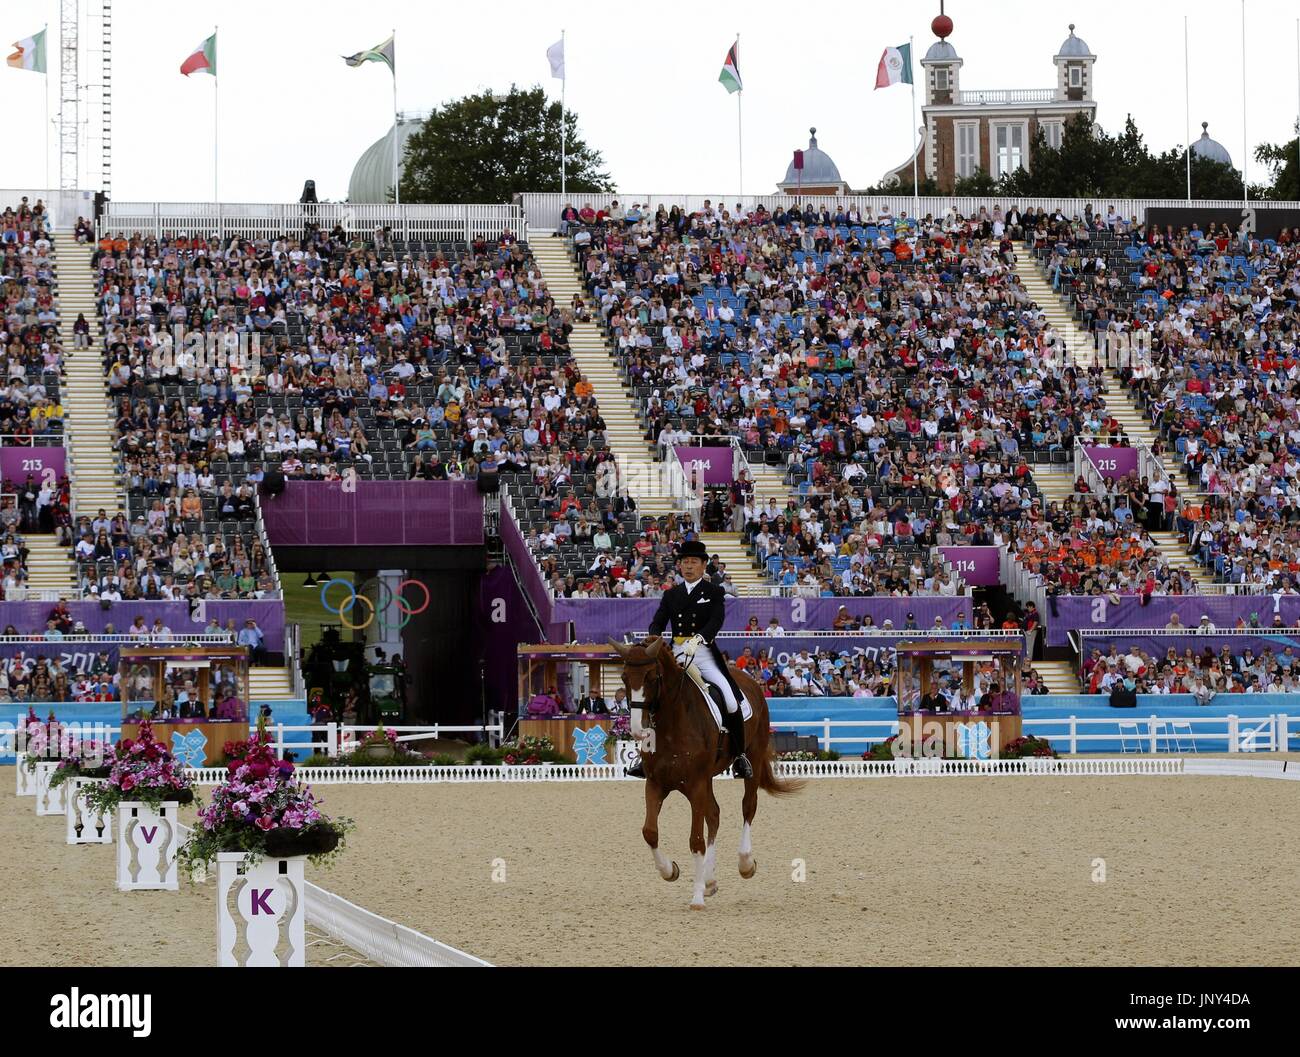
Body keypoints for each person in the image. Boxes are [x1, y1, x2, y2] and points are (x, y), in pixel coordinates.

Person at [628, 539, 752, 779]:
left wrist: (699, 638)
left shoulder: (714, 592)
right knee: (653, 696)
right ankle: (645, 756)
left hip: (703, 653)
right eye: (685, 562)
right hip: (675, 653)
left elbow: (716, 621)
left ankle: (739, 756)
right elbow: (658, 621)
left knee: (730, 699)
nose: (688, 566)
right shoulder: (671, 594)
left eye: (694, 562)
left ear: (703, 565)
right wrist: (653, 637)